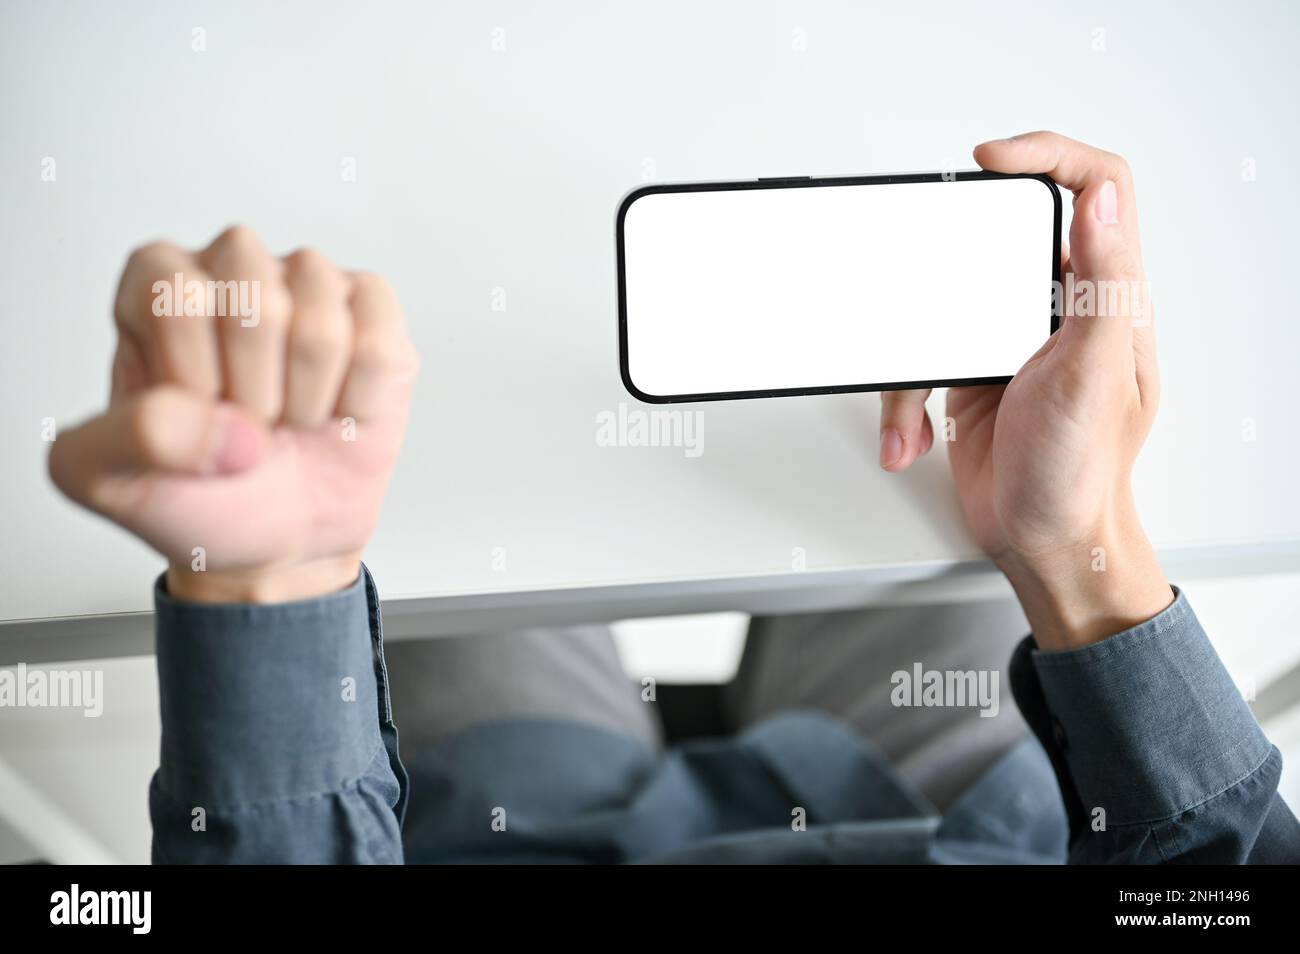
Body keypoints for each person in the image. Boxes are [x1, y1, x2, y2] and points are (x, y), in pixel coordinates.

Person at [48, 132, 1299, 863]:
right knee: (898, 492)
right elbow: (1216, 883)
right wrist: (1078, 546)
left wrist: (277, 582)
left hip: (522, 828)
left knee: (482, 508)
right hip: (984, 817)